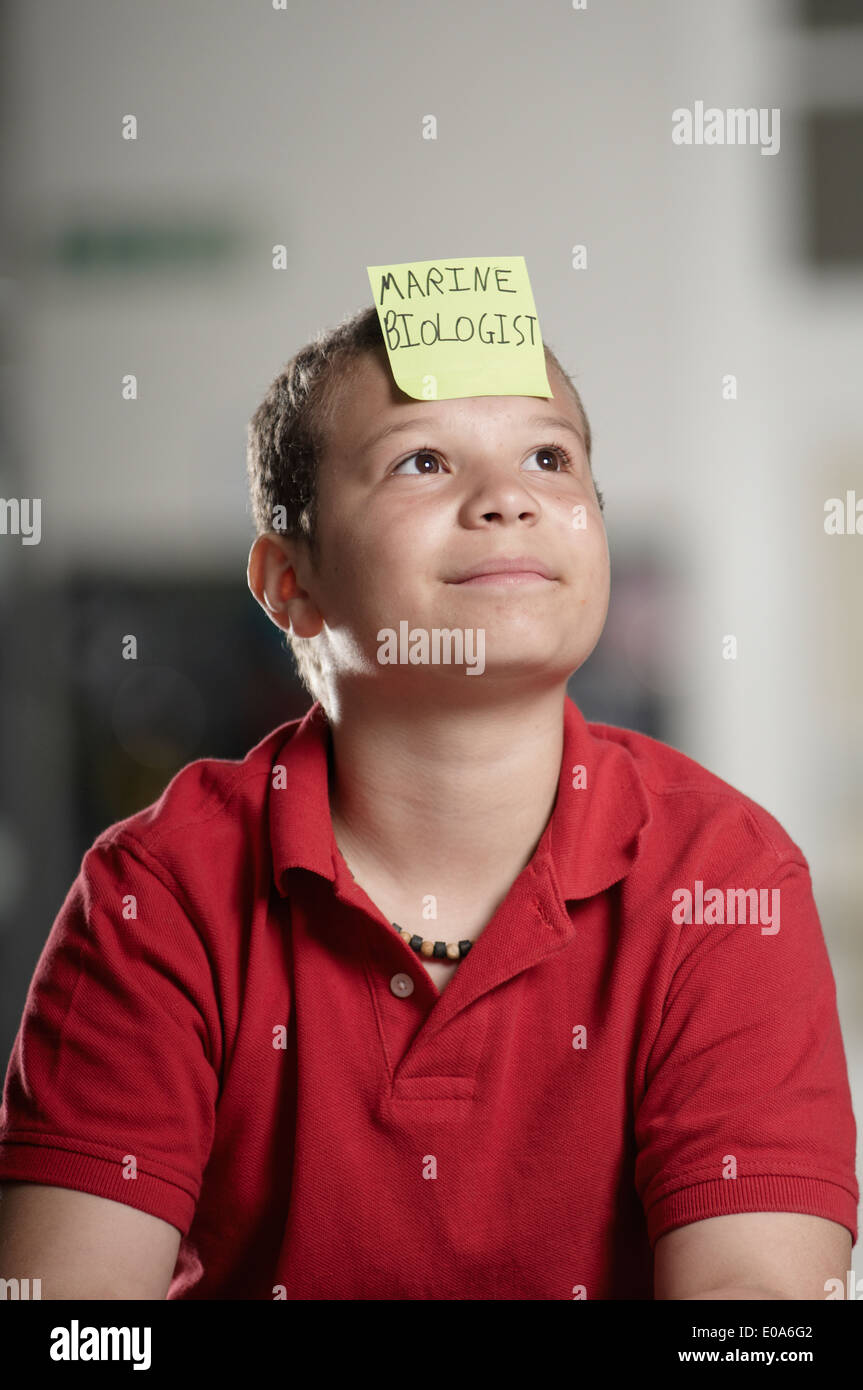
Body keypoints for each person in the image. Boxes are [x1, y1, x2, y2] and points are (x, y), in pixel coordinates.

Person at [0, 305, 857, 1300]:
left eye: (549, 457)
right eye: (421, 462)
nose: (507, 499)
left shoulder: (724, 874)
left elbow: (752, 1317)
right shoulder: (161, 888)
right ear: (290, 582)